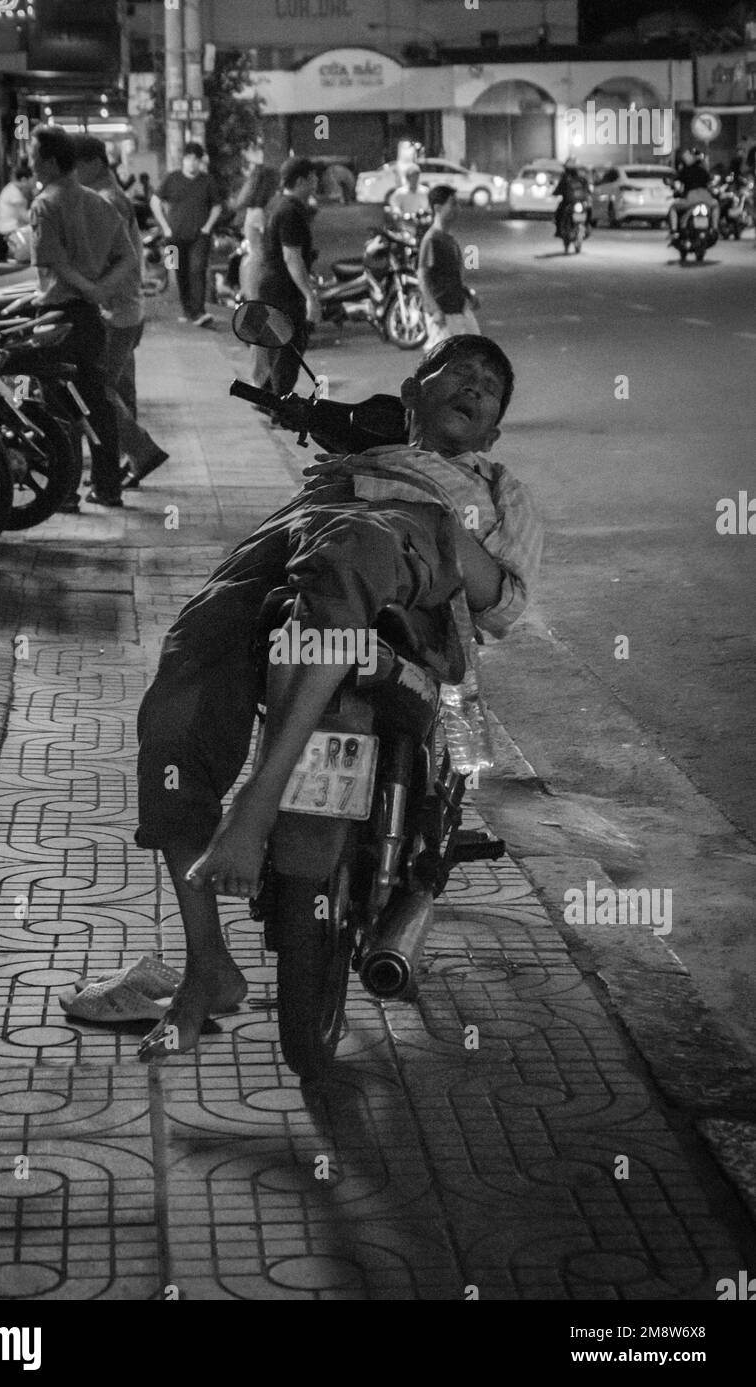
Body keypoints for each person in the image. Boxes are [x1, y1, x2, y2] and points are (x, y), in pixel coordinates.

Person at [123, 333, 542, 1057]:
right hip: (308, 521)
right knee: (184, 677)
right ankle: (206, 965)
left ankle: (255, 809)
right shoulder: (361, 452)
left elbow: (504, 606)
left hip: (406, 538)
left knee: (340, 572)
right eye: (459, 373)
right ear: (413, 391)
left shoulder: (497, 490)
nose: (474, 386)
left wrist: (446, 533)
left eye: (489, 387)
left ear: (493, 429)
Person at [28, 123, 138, 508]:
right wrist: (100, 289)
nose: (29, 162)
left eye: (33, 155)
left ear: (52, 162)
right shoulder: (98, 202)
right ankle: (108, 488)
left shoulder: (45, 203)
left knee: (58, 406)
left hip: (55, 317)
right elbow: (128, 256)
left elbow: (53, 263)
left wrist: (87, 288)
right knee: (97, 403)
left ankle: (65, 494)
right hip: (91, 319)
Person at [72, 136, 169, 490]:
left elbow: (100, 258)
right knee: (118, 388)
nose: (73, 174)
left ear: (95, 163)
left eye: (76, 165)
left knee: (98, 391)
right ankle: (123, 463)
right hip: (126, 306)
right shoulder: (111, 197)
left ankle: (139, 453)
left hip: (114, 309)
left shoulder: (105, 199)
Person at [252, 156, 320, 395]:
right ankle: (278, 406)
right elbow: (292, 258)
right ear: (301, 181)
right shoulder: (290, 211)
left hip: (273, 286)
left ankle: (269, 399)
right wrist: (309, 296)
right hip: (284, 290)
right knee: (287, 351)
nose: (317, 183)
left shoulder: (279, 204)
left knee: (280, 348)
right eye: (313, 178)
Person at [150, 142, 222, 327]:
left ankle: (199, 312)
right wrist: (164, 226)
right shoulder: (171, 179)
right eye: (189, 158)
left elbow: (217, 206)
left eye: (196, 159)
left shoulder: (207, 181)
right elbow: (155, 201)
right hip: (172, 237)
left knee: (197, 270)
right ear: (183, 160)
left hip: (200, 236)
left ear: (200, 162)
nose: (192, 163)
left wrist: (207, 226)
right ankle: (187, 308)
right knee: (178, 271)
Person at [418, 184, 481, 355]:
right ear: (438, 208)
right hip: (444, 313)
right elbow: (423, 277)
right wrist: (435, 310)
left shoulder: (449, 238)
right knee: (443, 363)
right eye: (452, 204)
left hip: (458, 307)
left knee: (475, 352)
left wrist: (467, 293)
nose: (457, 208)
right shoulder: (432, 240)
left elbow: (451, 275)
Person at [233, 163, 279, 302]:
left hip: (251, 262)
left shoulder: (252, 210)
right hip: (260, 265)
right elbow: (269, 241)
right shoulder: (259, 214)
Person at [667, 147, 718, 238]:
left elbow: (677, 184)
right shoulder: (703, 171)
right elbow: (710, 185)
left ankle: (674, 231)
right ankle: (714, 228)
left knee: (673, 208)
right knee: (716, 205)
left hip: (691, 199)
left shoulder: (684, 171)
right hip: (706, 198)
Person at [0, 160, 35, 255]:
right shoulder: (15, 195)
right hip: (12, 233)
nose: (34, 182)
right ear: (24, 180)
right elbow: (26, 217)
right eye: (32, 179)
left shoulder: (10, 189)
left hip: (8, 231)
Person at [552, 156, 592, 240]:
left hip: (579, 201)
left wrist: (588, 194)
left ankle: (587, 227)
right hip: (568, 201)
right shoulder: (566, 178)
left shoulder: (581, 179)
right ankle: (560, 229)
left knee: (588, 210)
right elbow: (559, 188)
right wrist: (555, 193)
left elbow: (587, 189)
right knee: (559, 211)